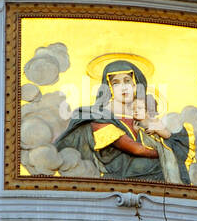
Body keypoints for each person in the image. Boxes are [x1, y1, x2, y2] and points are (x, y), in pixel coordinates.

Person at [56, 58, 190, 184]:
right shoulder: (99, 116)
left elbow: (167, 135)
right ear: (109, 88)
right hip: (122, 177)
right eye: (116, 83)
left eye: (127, 81)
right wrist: (165, 152)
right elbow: (136, 149)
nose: (123, 87)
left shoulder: (142, 115)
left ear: (135, 85)